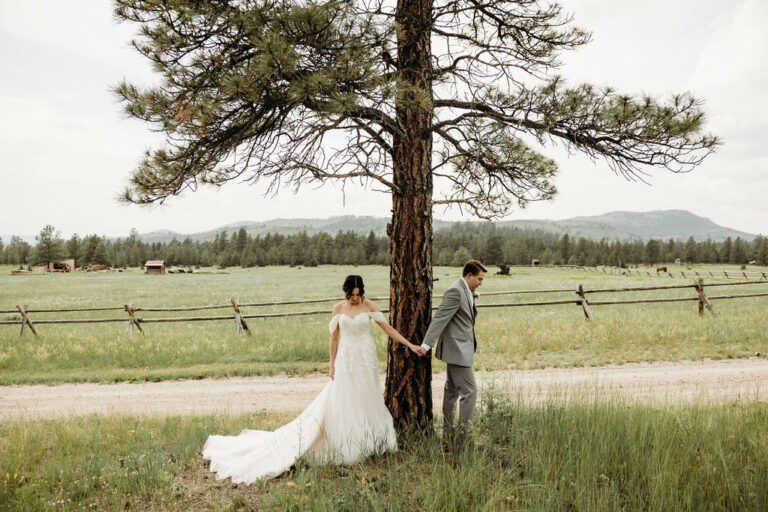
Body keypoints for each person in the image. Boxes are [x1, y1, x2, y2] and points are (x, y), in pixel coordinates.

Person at [202, 275, 422, 484]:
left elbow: (388, 329)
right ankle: (349, 442)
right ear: (346, 292)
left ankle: (371, 440)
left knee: (367, 396)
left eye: (358, 294)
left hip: (365, 358)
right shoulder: (338, 309)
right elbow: (334, 340)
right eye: (352, 294)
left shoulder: (369, 306)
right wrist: (331, 365)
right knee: (344, 399)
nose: (355, 298)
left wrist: (410, 345)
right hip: (346, 359)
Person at [417, 260, 486, 440]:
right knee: (470, 391)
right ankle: (464, 436)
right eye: (479, 279)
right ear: (469, 275)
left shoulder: (467, 290)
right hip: (457, 350)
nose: (481, 283)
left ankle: (449, 432)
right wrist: (426, 345)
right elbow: (440, 318)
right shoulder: (456, 291)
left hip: (461, 348)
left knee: (451, 391)